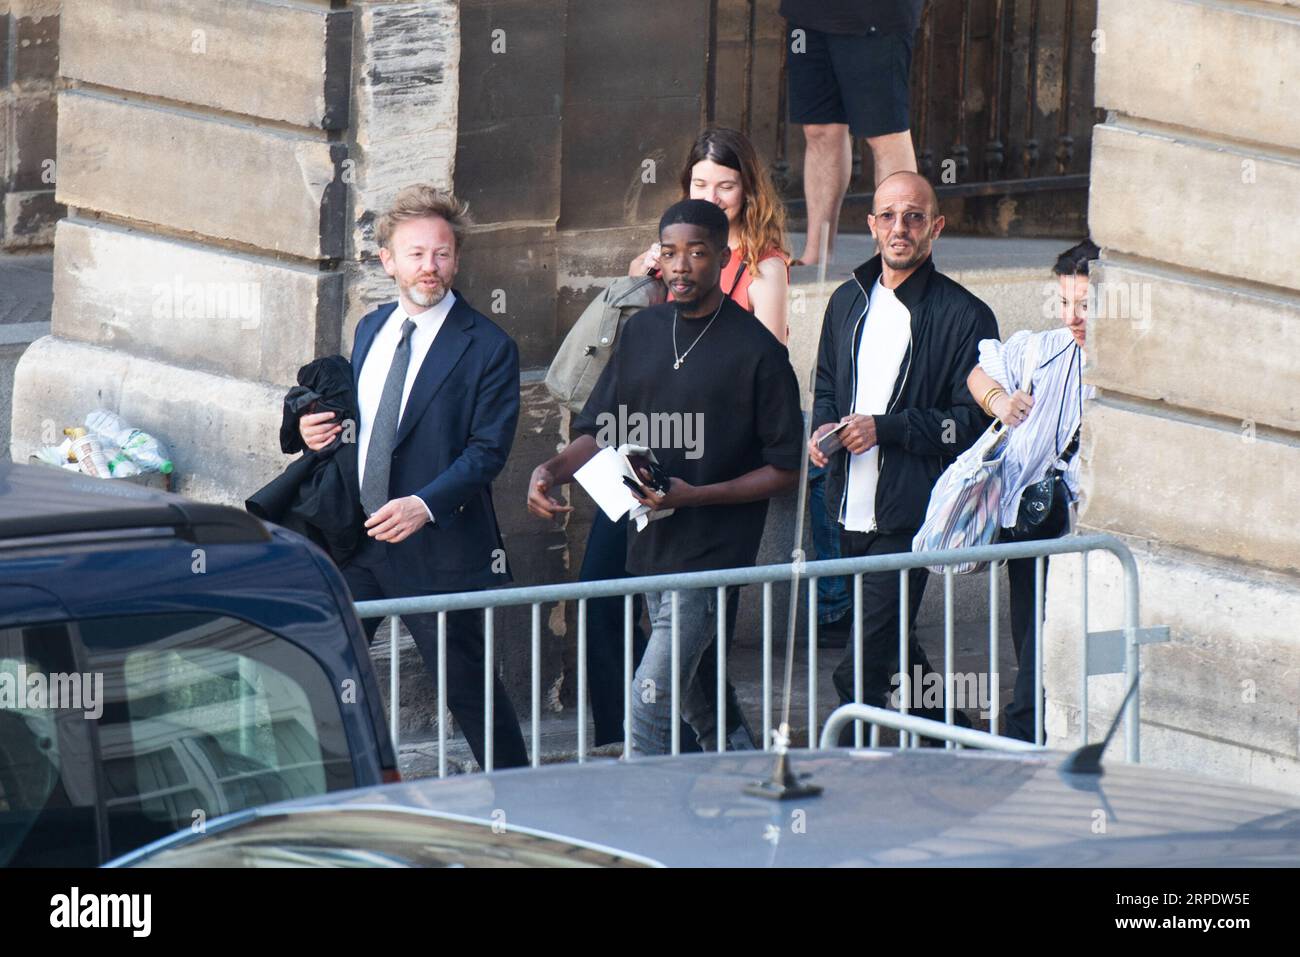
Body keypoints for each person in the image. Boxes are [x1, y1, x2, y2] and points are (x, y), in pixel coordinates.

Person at [530, 199, 804, 755]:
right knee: (695, 696)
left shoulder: (757, 352)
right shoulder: (643, 332)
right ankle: (747, 773)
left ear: (723, 259)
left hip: (710, 555)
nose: (680, 266)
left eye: (697, 253)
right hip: (649, 544)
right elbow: (601, 427)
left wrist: (696, 495)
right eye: (670, 253)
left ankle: (643, 816)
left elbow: (786, 469)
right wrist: (552, 470)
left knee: (650, 695)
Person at [298, 184, 529, 770]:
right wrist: (317, 431)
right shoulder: (371, 329)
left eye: (443, 254)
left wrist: (423, 505)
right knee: (324, 670)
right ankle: (347, 787)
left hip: (441, 547)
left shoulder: (490, 347)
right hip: (362, 544)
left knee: (470, 691)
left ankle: (523, 805)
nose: (431, 267)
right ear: (388, 260)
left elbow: (486, 452)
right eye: (418, 254)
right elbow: (364, 423)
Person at [807, 171, 998, 739]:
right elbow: (824, 385)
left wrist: (887, 429)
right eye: (888, 215)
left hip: (910, 514)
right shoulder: (846, 301)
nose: (900, 228)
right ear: (870, 225)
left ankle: (850, 776)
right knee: (895, 651)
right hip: (847, 505)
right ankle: (956, 739)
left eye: (914, 216)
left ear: (935, 228)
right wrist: (820, 429)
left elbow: (972, 425)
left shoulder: (967, 316)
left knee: (859, 672)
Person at [966, 239, 1098, 743]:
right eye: (1065, 303)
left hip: (1090, 537)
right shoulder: (1042, 349)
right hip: (1034, 519)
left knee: (1065, 643)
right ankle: (1027, 737)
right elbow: (979, 372)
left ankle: (1032, 737)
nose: (1073, 317)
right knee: (1031, 639)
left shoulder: (1133, 366)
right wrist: (1001, 402)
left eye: (1086, 305)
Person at [781, 0, 924, 266]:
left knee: (885, 134)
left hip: (876, 16)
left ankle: (896, 255)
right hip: (808, 15)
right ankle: (817, 254)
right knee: (819, 129)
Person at [629, 127, 790, 342]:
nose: (711, 199)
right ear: (688, 186)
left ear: (748, 190)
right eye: (700, 185)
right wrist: (642, 277)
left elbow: (770, 366)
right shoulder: (668, 250)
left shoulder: (763, 268)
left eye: (726, 187)